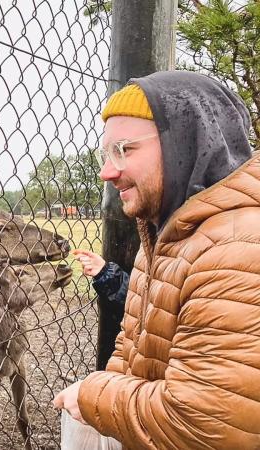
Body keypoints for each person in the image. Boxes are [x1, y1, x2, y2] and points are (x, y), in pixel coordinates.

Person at [53, 72, 260, 449]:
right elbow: (129, 351)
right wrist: (102, 398)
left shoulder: (235, 248)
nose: (106, 172)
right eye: (105, 154)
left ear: (185, 143)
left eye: (124, 150)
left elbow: (206, 425)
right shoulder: (164, 239)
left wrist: (93, 396)